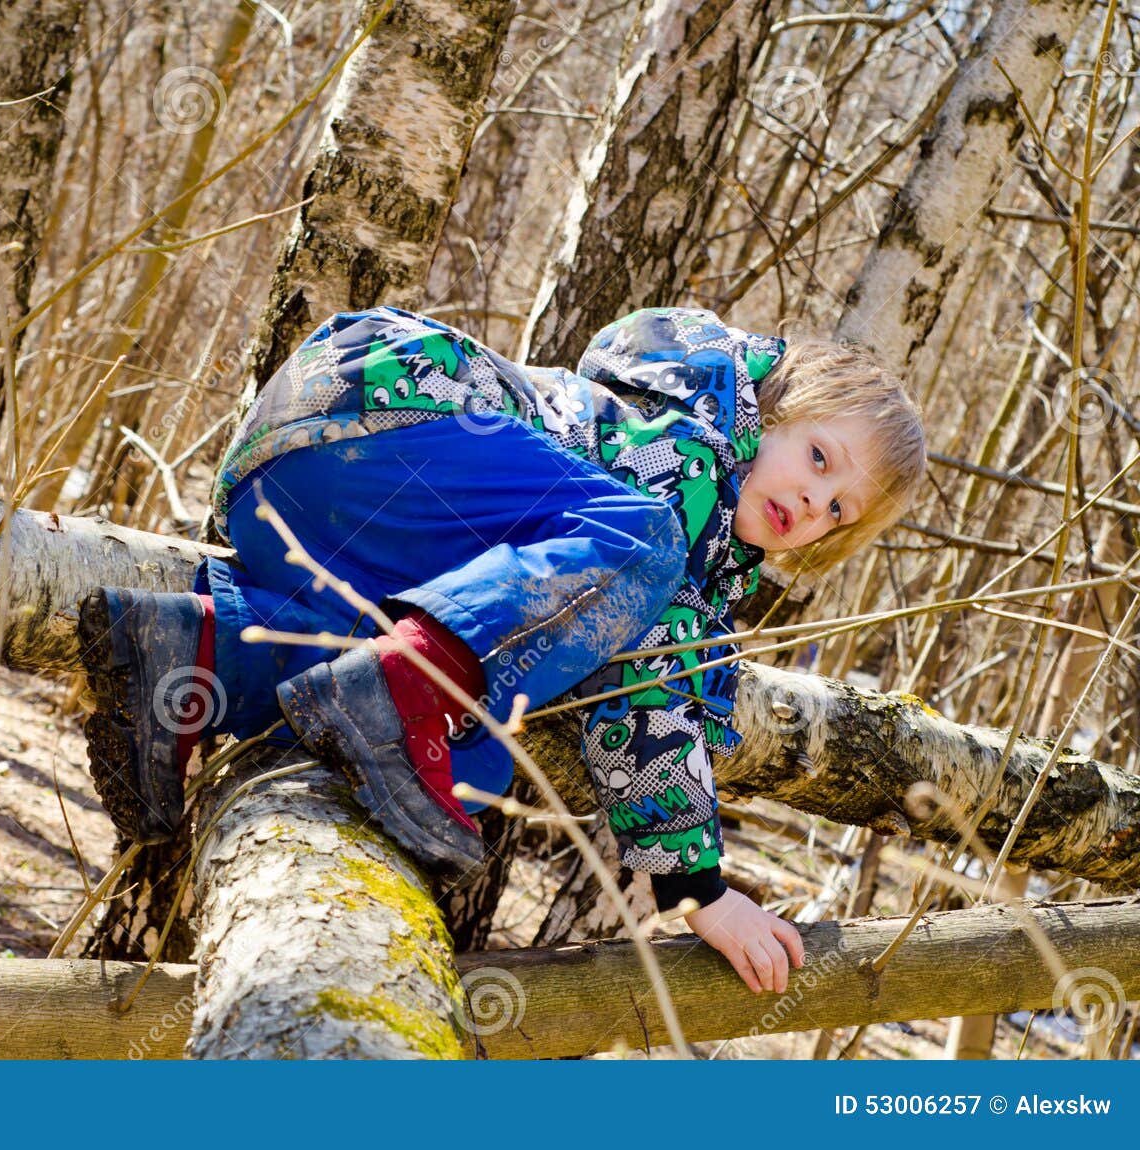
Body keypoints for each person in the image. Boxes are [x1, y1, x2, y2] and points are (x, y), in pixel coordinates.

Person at [77, 304, 926, 995]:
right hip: (383, 408)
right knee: (640, 548)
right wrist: (697, 890)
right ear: (770, 414)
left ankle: (201, 652)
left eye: (837, 510)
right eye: (818, 457)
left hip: (312, 511)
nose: (813, 501)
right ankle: (400, 682)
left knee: (471, 761)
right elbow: (648, 686)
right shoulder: (690, 454)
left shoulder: (689, 535)